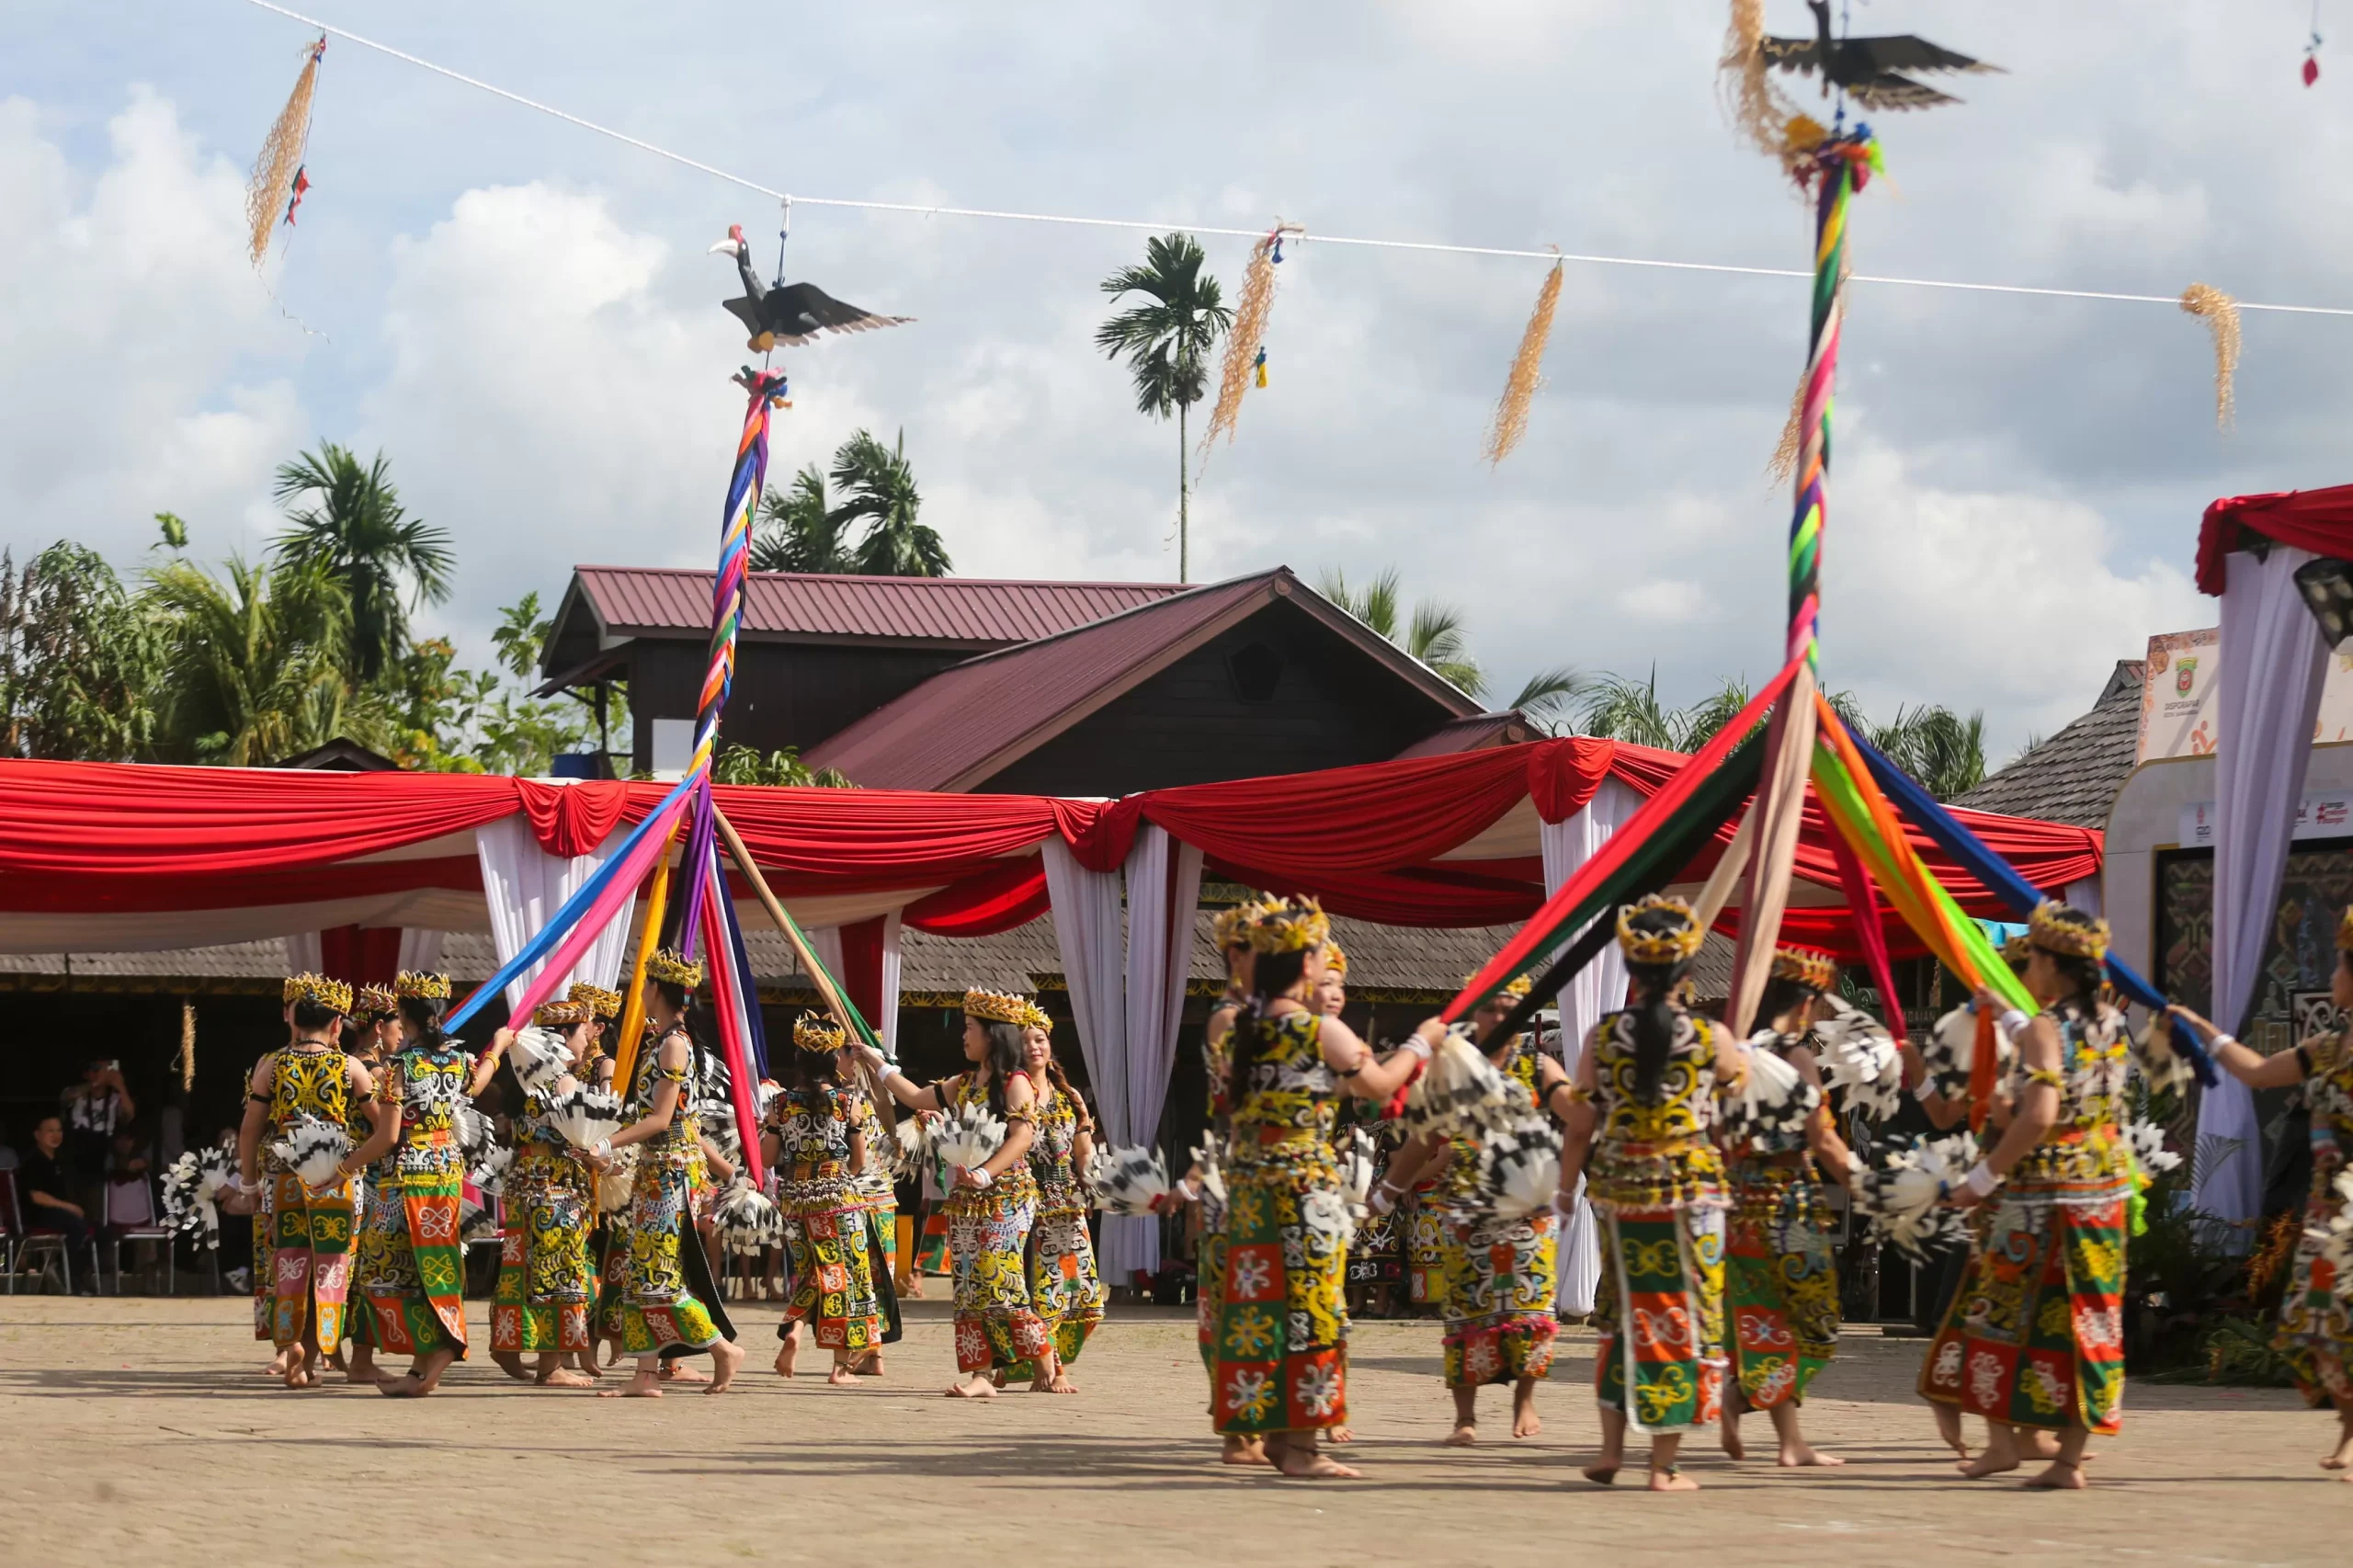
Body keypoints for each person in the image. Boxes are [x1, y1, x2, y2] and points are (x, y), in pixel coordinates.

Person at [1204, 897, 1432, 1479]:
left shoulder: (1240, 1030)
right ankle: (1303, 1447)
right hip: (1304, 1188)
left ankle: (1273, 1436)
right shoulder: (1317, 1029)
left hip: (1250, 1187)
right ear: (1306, 965)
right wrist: (1421, 1044)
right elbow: (1378, 1086)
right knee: (1311, 1304)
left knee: (1261, 1306)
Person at [1919, 901, 2130, 1489]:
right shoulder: (2110, 1022)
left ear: (2052, 964)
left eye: (2033, 957)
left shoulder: (2046, 1026)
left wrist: (1980, 1180)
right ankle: (2067, 1461)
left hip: (2042, 1191)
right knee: (2089, 1317)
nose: (2029, 968)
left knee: (1999, 1310)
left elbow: (2039, 1112)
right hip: (2103, 1187)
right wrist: (2005, 1011)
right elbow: (2050, 1050)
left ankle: (2001, 1445)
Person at [1554, 894, 1748, 1491]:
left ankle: (1612, 1452)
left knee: (1623, 1313)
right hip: (1692, 1193)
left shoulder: (1603, 1036)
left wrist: (1564, 1189)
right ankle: (1663, 1466)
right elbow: (1737, 1112)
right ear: (1687, 971)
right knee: (1686, 1316)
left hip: (1621, 1193)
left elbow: (1581, 1123)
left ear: (1632, 969)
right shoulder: (1711, 1037)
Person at [2166, 901, 2353, 1480]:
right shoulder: (2326, 1049)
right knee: (2322, 1324)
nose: (2332, 974)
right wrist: (2204, 1030)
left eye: (2340, 964)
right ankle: (2349, 1431)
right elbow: (2256, 1072)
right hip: (2328, 1214)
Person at [1375, 971, 1568, 1448]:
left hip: (1528, 1209)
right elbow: (1425, 1138)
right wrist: (1385, 1192)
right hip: (1467, 1207)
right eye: (1490, 1007)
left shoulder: (1538, 1065)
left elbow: (1575, 1108)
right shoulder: (1454, 1067)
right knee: (1465, 1312)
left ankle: (1525, 1400)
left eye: (1509, 1009)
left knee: (1531, 1307)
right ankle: (1466, 1417)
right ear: (1473, 1012)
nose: (1499, 1016)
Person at [859, 987, 1052, 1399]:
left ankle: (1046, 1361)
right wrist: (876, 1061)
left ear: (992, 1034)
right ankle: (981, 1375)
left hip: (1006, 1195)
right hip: (965, 1199)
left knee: (1000, 1279)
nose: (964, 1036)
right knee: (967, 1285)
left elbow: (1022, 1137)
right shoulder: (964, 1082)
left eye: (970, 1028)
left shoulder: (1015, 1082)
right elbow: (913, 1096)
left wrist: (984, 1174)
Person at [1720, 946, 1853, 1468]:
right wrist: (1869, 1186)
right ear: (1806, 1003)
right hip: (1789, 1207)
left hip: (1739, 1205)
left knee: (1765, 1318)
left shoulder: (1734, 1055)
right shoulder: (1796, 1058)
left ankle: (1785, 1436)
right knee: (1817, 1321)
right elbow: (1823, 1138)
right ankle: (1743, 1402)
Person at [591, 949, 745, 1397]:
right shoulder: (662, 1041)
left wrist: (607, 1143)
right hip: (655, 1170)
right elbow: (679, 1121)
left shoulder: (674, 1044)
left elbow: (662, 1120)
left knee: (657, 1275)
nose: (640, 991)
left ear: (657, 989)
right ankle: (645, 1374)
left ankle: (721, 1347)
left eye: (645, 984)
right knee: (643, 1273)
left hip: (670, 1174)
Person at [237, 973, 381, 1387]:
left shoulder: (272, 1065)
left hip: (283, 1177)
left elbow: (250, 1128)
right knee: (331, 1268)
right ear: (336, 1024)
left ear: (292, 1019)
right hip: (335, 1179)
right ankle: (314, 1356)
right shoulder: (349, 1066)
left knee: (289, 1262)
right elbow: (381, 1124)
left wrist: (249, 1184)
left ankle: (292, 1349)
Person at [346, 971, 474, 1397]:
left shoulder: (400, 1065)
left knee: (384, 1269)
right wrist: (496, 1051)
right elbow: (476, 1086)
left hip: (407, 1176)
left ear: (403, 1014)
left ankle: (436, 1351)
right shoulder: (459, 1060)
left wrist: (343, 1169)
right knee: (434, 1266)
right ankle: (423, 1367)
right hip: (447, 1171)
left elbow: (387, 1135)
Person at [487, 996, 602, 1388]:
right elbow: (579, 1141)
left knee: (521, 1266)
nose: (587, 1040)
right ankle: (551, 1366)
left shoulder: (522, 1080)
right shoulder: (563, 1081)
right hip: (557, 1185)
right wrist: (605, 1160)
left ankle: (507, 1346)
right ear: (565, 1035)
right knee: (559, 1270)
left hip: (524, 1182)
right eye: (583, 1032)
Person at [767, 1012, 886, 1385]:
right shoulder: (848, 1103)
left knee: (813, 1273)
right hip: (838, 1196)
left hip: (795, 1198)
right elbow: (859, 1160)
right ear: (835, 1059)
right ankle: (840, 1367)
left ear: (798, 1059)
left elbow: (768, 1158)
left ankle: (796, 1329)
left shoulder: (780, 1103)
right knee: (845, 1276)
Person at [1007, 1006, 1106, 1392]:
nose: (1034, 1047)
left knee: (1077, 1291)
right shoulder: (1013, 1091)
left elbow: (1083, 1151)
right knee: (1038, 1287)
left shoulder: (1069, 1095)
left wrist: (1092, 1185)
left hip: (1068, 1204)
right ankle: (1049, 1369)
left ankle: (1044, 1363)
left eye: (1040, 1039)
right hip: (1027, 1202)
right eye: (1025, 1042)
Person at [17, 1115, 97, 1293]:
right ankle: (62, 1270)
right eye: (50, 1131)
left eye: (59, 1130)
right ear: (37, 1135)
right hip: (38, 1214)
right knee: (77, 1226)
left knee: (99, 1230)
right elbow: (36, 1196)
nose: (56, 1135)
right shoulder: (33, 1161)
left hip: (58, 1214)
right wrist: (69, 1207)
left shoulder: (60, 1160)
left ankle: (75, 1274)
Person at [61, 1058, 136, 1214]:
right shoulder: (79, 1094)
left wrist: (119, 1085)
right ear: (86, 1074)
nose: (101, 1073)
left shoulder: (115, 1098)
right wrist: (97, 1082)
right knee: (74, 1203)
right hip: (76, 1152)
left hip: (101, 1154)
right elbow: (66, 1097)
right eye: (95, 1069)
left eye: (103, 1070)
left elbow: (128, 1115)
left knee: (97, 1203)